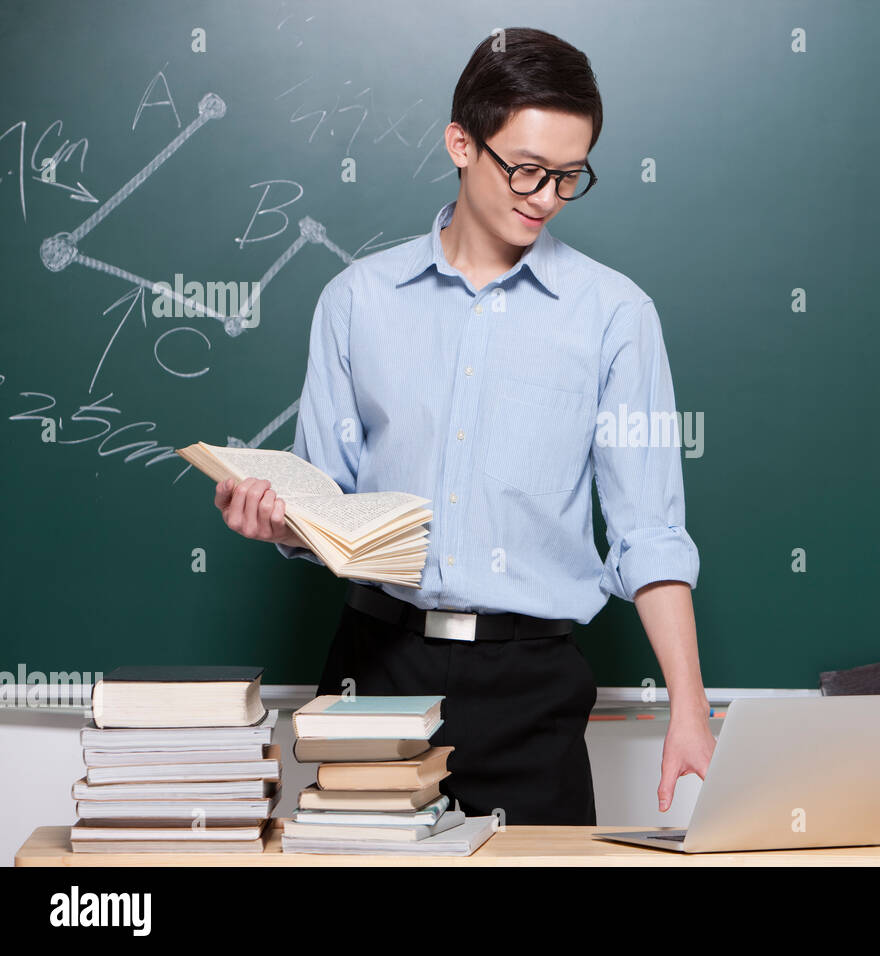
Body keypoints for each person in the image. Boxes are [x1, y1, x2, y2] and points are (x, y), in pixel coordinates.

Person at [213, 27, 714, 825]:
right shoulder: (357, 300)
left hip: (532, 686)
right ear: (461, 143)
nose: (544, 196)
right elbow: (328, 503)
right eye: (525, 167)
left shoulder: (617, 316)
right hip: (374, 671)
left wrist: (689, 705)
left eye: (569, 176)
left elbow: (648, 531)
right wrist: (276, 520)